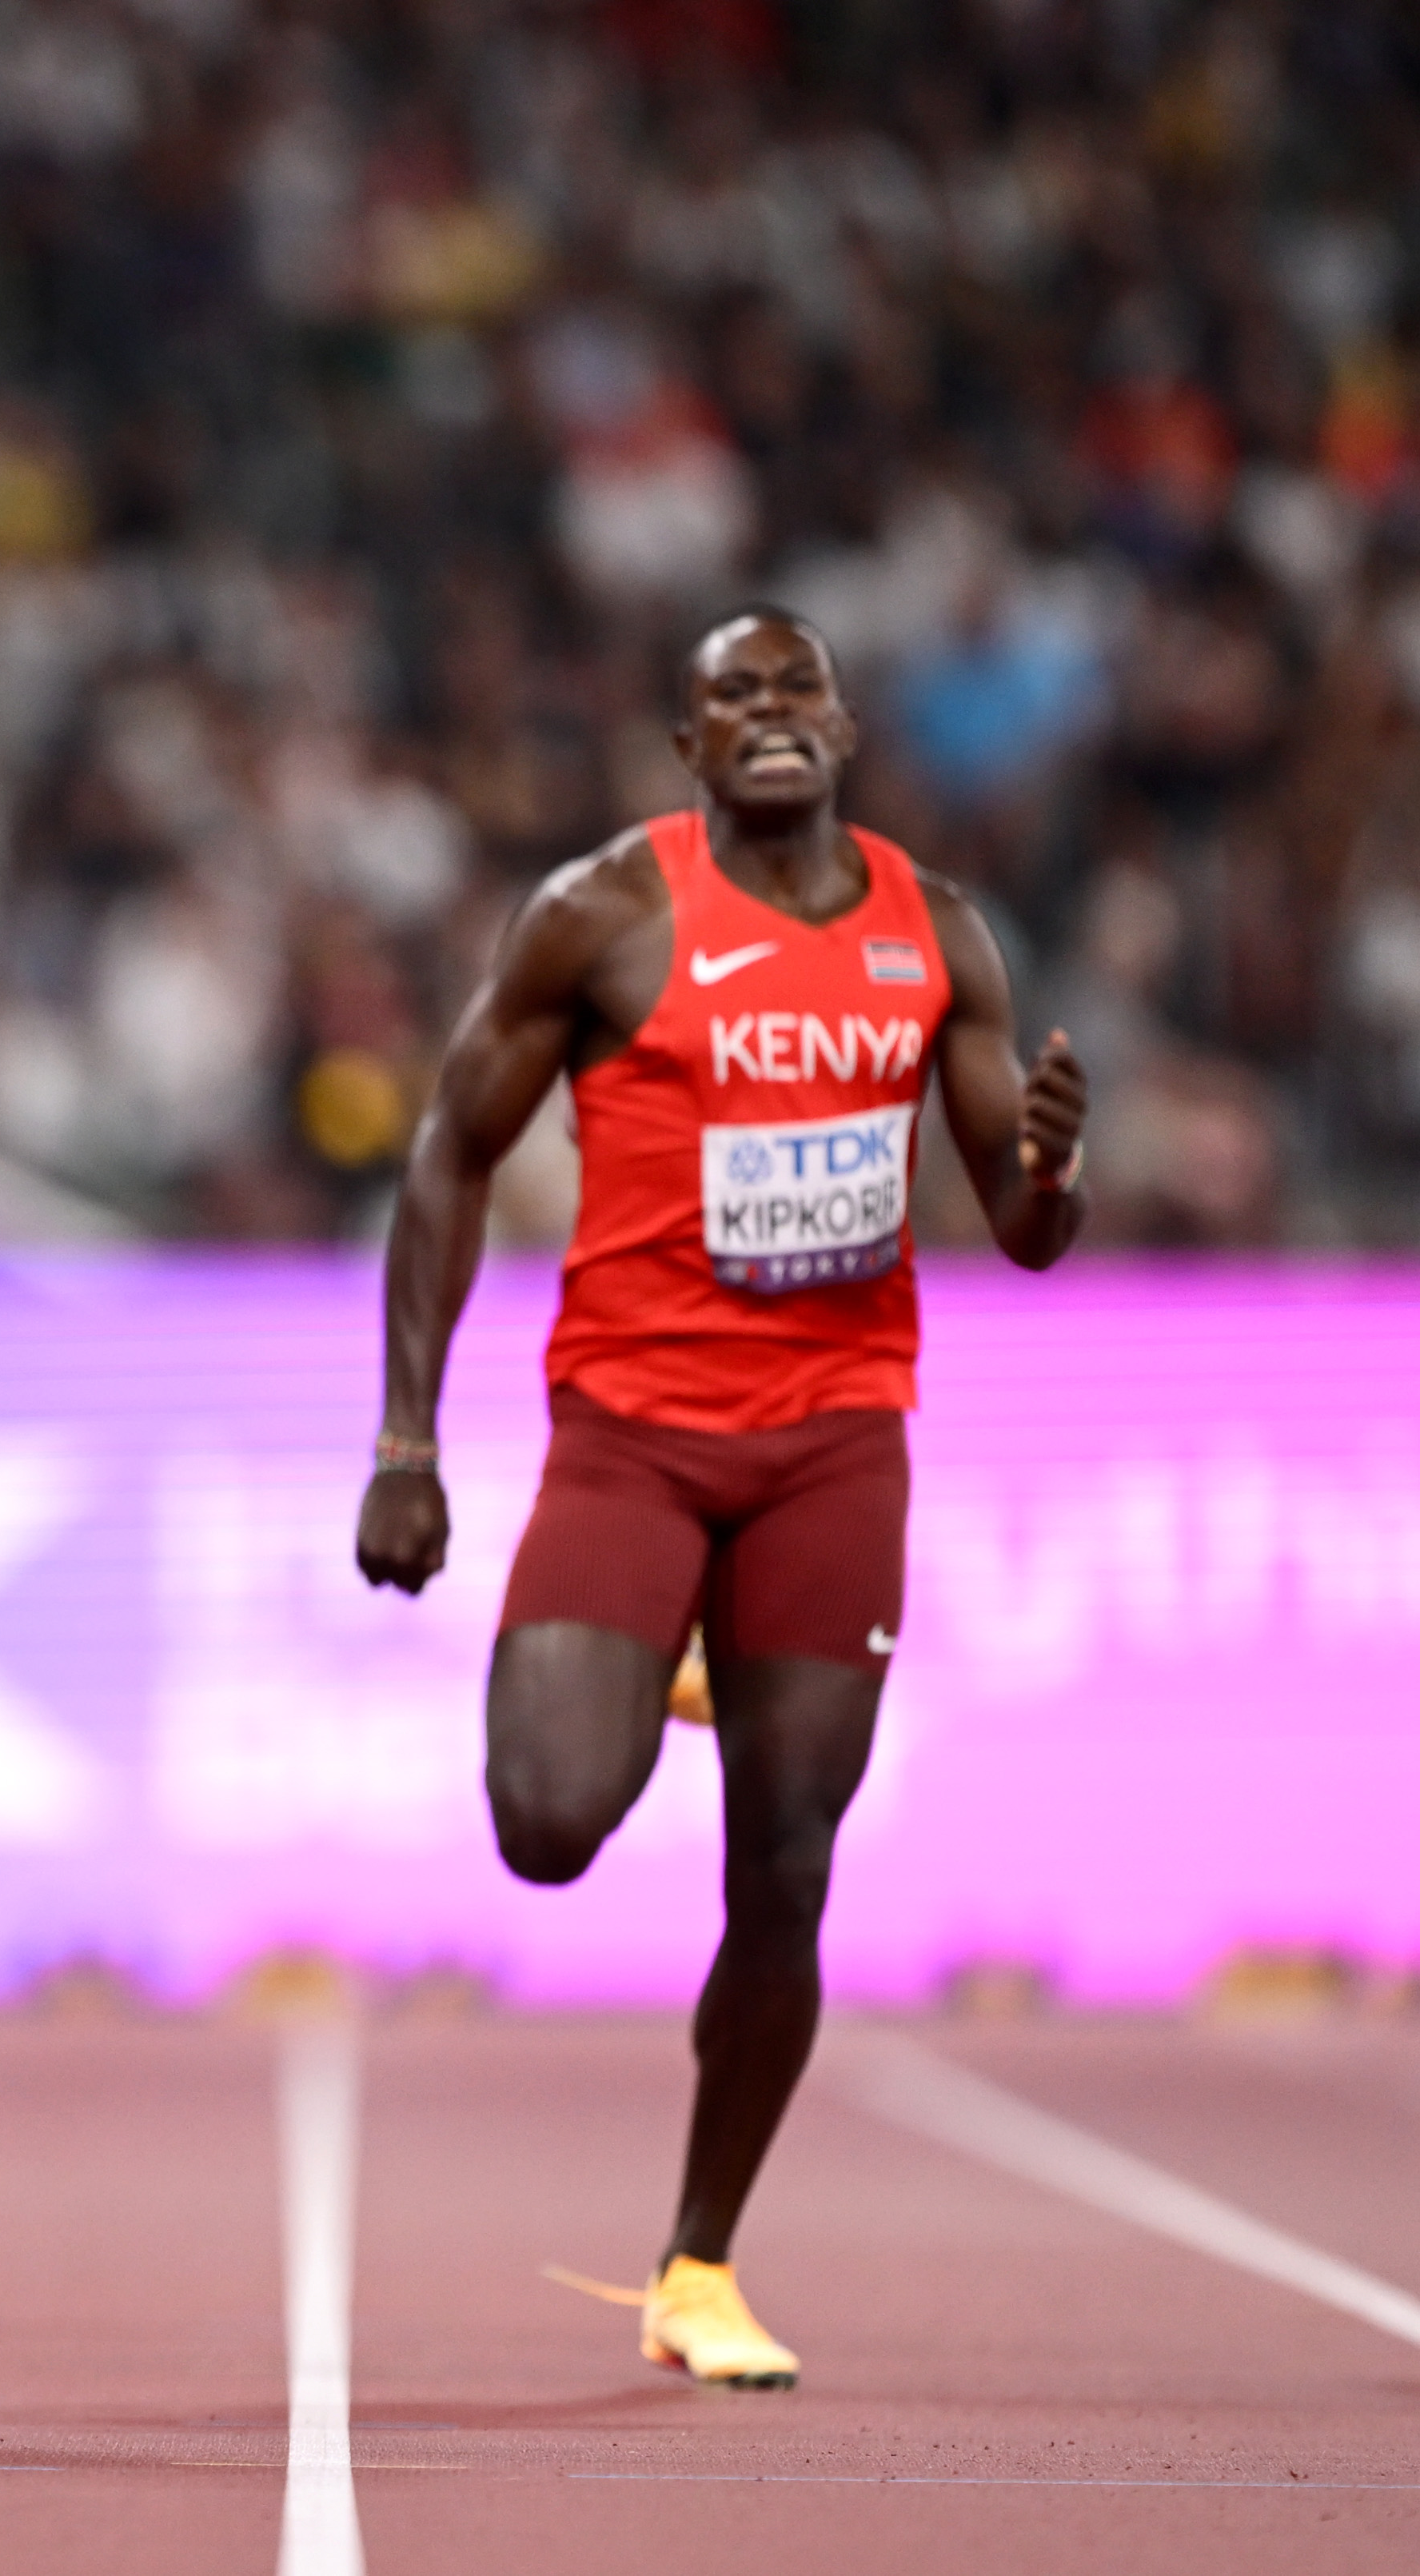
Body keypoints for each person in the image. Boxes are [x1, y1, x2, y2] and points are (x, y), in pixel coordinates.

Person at [356, 607, 1089, 2387]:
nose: (768, 714)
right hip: (635, 1426)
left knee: (786, 1862)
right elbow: (452, 1145)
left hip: (837, 1433)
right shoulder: (604, 913)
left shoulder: (942, 932)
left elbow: (1026, 1229)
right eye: (727, 696)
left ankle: (699, 2259)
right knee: (543, 1818)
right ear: (687, 750)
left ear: (843, 722)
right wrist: (405, 1438)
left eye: (795, 687)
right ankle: (675, 1646)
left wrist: (1054, 1162)